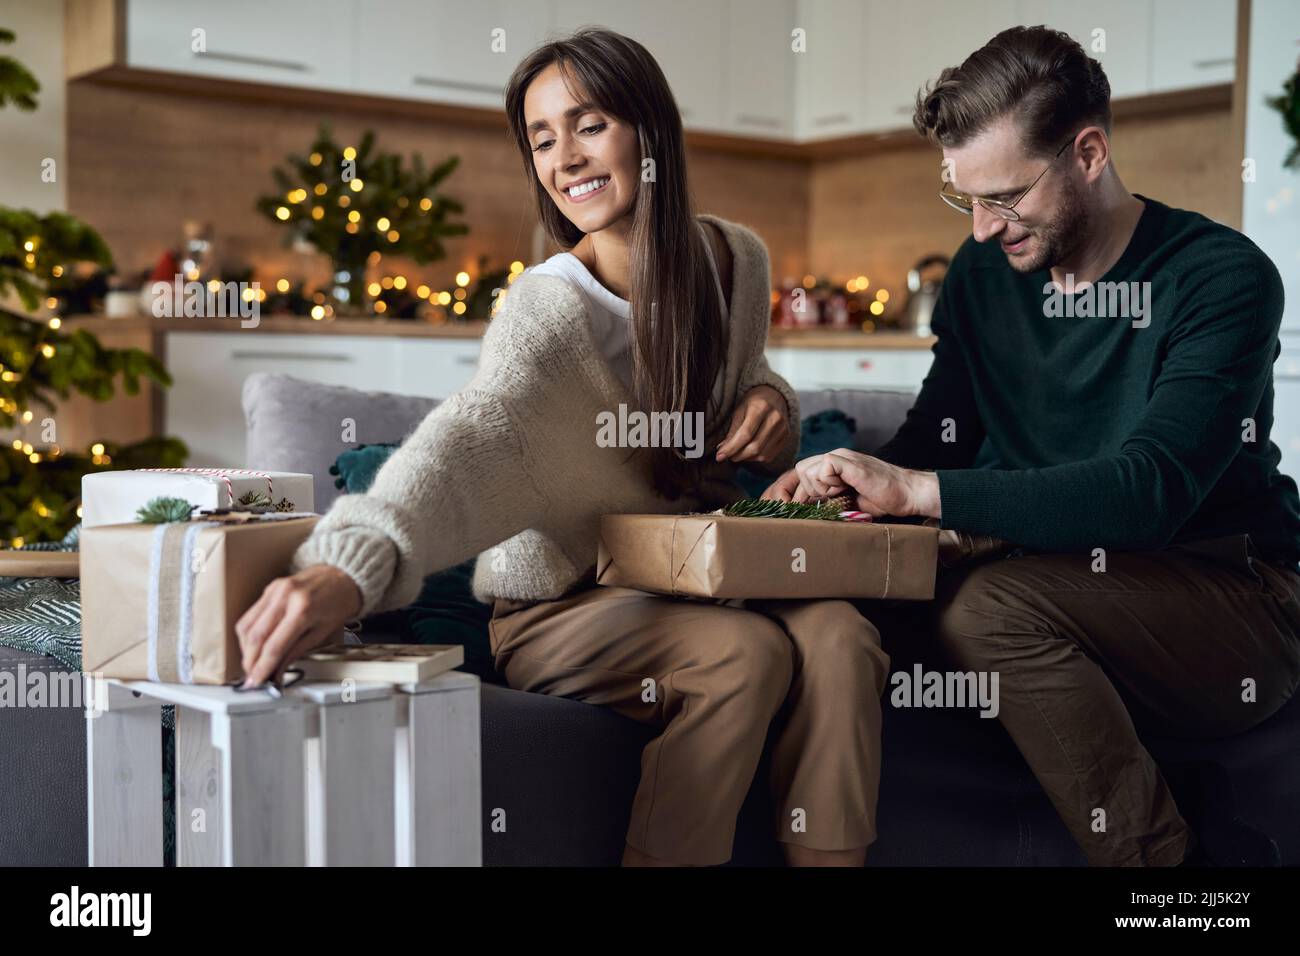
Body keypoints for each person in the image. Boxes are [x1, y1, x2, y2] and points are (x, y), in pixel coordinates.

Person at [235, 29, 890, 867]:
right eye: (541, 139)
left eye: (588, 125)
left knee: (840, 636)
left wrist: (769, 400)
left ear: (651, 130)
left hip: (704, 574)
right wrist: (347, 564)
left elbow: (748, 372)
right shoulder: (544, 314)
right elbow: (470, 439)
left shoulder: (736, 262)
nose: (562, 157)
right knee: (745, 657)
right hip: (561, 611)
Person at [766, 25, 1300, 867]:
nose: (981, 230)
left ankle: (1176, 884)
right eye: (964, 199)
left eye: (1005, 198)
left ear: (1088, 152)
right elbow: (932, 442)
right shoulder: (986, 277)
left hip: (1228, 587)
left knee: (989, 611)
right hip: (1046, 570)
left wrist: (923, 496)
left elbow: (1146, 491)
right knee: (832, 611)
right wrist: (839, 490)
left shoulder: (1221, 278)